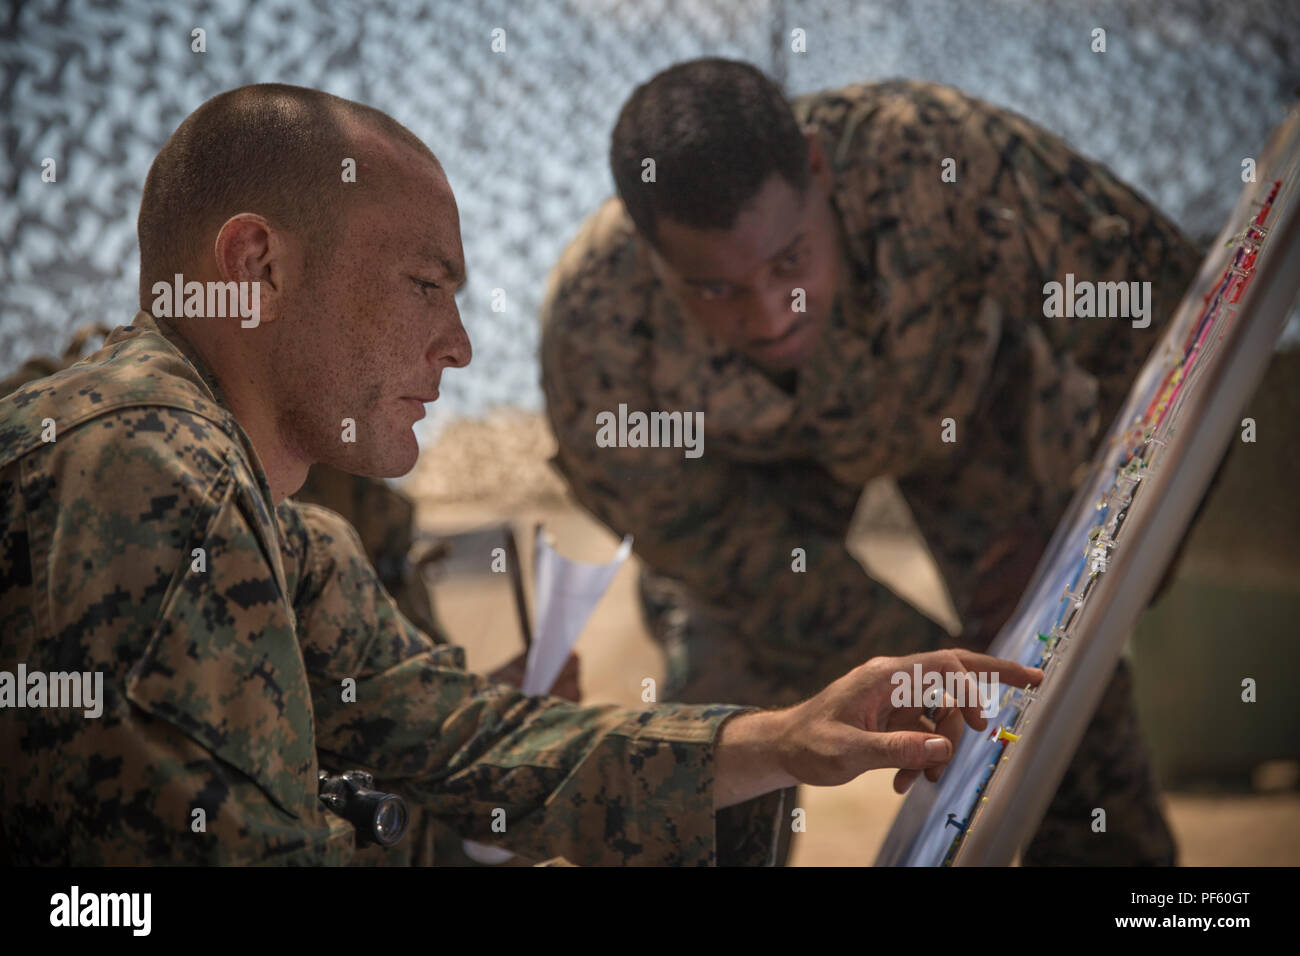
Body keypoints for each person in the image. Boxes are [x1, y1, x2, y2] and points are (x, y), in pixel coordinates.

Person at [0, 83, 1039, 865]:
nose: (456, 346)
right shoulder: (136, 461)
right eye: (423, 285)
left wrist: (789, 736)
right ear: (256, 266)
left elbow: (472, 739)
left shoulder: (290, 533)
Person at [540, 58, 1200, 865]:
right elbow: (727, 554)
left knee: (1057, 695)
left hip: (972, 407)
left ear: (817, 168)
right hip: (754, 482)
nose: (768, 316)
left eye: (789, 260)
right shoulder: (592, 335)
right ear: (648, 251)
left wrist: (1081, 538)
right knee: (717, 716)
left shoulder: (932, 156)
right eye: (714, 289)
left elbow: (1164, 315)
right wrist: (920, 675)